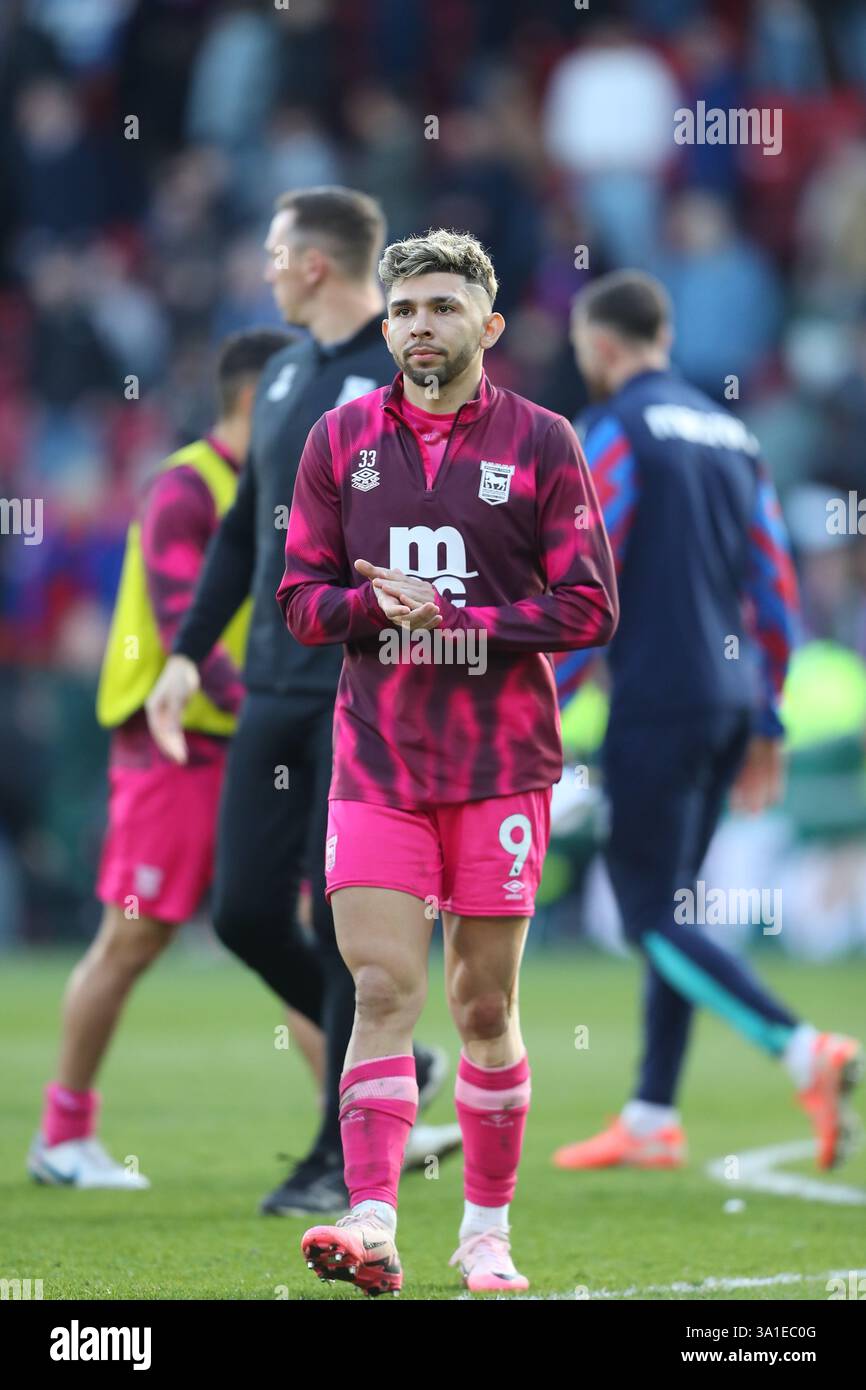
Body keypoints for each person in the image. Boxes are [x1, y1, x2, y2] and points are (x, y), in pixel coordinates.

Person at [277, 229, 618, 1295]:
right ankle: (372, 1217)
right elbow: (298, 599)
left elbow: (589, 605)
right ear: (383, 326)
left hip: (499, 761)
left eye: (441, 306)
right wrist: (365, 608)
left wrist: (460, 626)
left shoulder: (543, 440)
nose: (420, 324)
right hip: (375, 758)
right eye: (404, 309)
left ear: (489, 324)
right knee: (380, 985)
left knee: (481, 1009)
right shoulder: (338, 440)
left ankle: (484, 1232)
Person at [145, 188, 457, 1217]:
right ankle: (395, 1067)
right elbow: (244, 530)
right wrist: (188, 653)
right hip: (276, 688)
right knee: (240, 911)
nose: (267, 269)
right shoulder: (282, 376)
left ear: (315, 265)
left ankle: (337, 1154)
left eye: (276, 253)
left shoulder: (400, 375)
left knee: (342, 935)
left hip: (367, 693)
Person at [551, 270, 863, 1175]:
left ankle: (802, 1049)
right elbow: (775, 581)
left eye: (580, 348)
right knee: (678, 899)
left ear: (603, 346)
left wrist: (550, 696)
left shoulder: (616, 430)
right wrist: (765, 713)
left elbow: (589, 574)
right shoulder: (734, 432)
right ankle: (652, 1113)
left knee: (648, 913)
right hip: (727, 704)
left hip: (657, 699)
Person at [30, 329, 291, 1187]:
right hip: (173, 742)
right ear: (259, 400)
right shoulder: (187, 486)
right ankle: (63, 1136)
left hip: (248, 739)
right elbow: (192, 627)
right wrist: (275, 717)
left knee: (291, 932)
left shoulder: (281, 484)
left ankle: (359, 1122)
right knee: (132, 939)